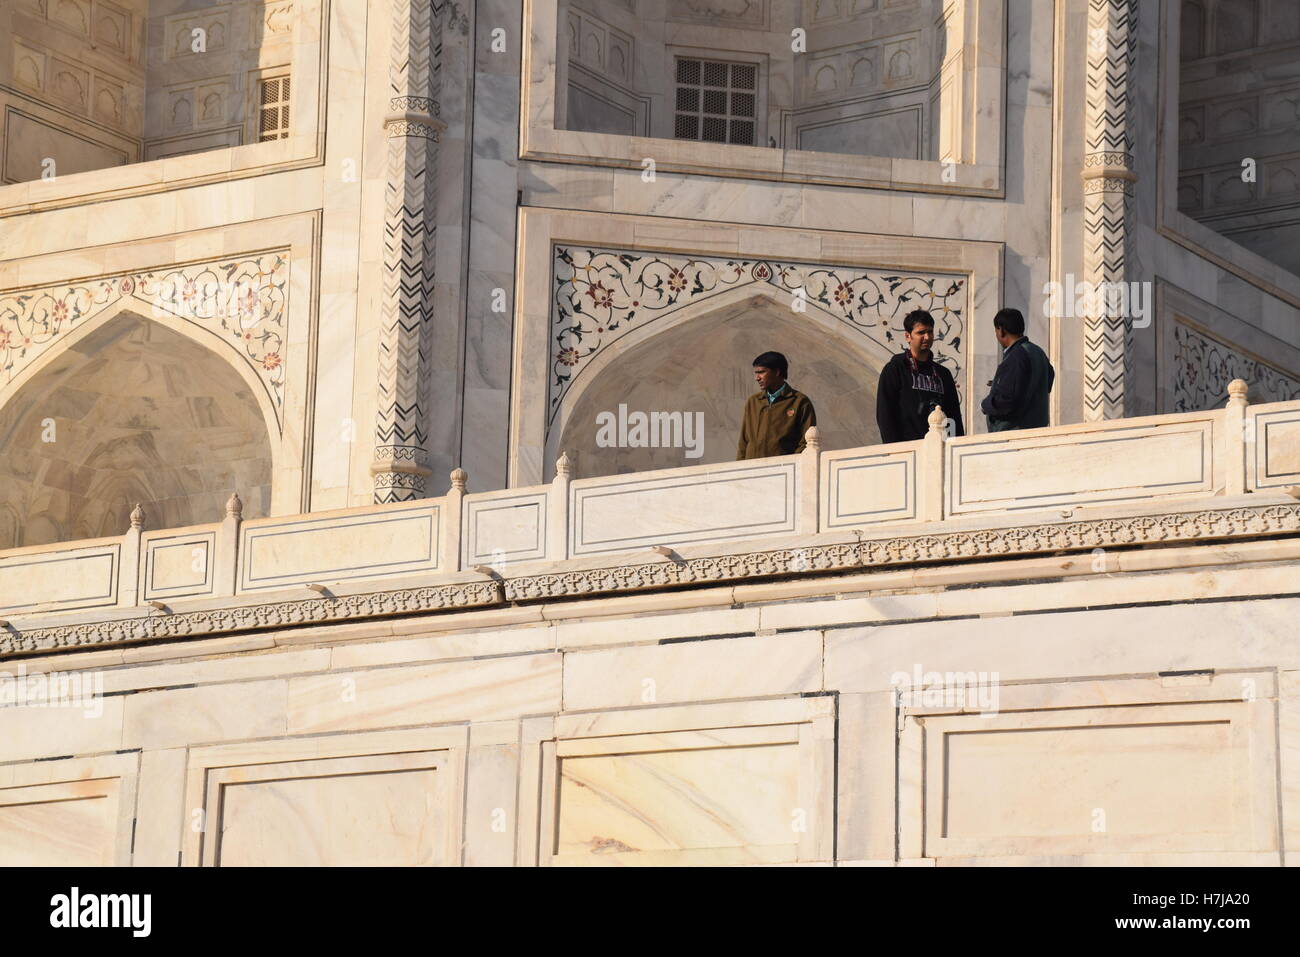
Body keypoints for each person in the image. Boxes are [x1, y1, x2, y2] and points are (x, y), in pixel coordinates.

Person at [875, 310, 964, 443]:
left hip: (941, 449)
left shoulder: (943, 374)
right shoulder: (894, 369)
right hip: (907, 450)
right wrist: (894, 450)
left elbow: (954, 417)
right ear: (907, 336)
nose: (927, 337)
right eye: (921, 332)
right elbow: (885, 414)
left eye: (930, 332)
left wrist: (956, 448)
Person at [980, 307, 1055, 431]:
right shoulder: (1037, 352)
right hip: (1037, 430)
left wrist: (985, 405)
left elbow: (1006, 402)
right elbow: (1044, 383)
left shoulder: (1016, 356)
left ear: (1001, 330)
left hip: (1015, 435)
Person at [736, 351, 817, 460]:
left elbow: (805, 442)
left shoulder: (799, 402)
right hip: (752, 470)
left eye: (762, 372)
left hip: (783, 470)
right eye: (756, 373)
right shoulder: (753, 402)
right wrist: (740, 467)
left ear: (777, 372)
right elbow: (744, 441)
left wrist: (789, 464)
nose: (757, 378)